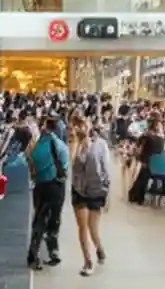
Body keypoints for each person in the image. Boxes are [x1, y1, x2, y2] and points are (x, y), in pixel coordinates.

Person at [27, 117, 70, 271]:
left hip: (40, 185)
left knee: (39, 219)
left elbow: (31, 161)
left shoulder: (37, 144)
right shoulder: (58, 143)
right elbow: (65, 162)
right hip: (56, 186)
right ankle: (53, 252)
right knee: (54, 219)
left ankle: (33, 255)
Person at [70, 117, 110, 276]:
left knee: (93, 228)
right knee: (82, 227)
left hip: (96, 190)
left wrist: (108, 194)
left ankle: (99, 248)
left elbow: (106, 169)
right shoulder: (73, 144)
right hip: (79, 190)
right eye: (75, 126)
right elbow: (71, 164)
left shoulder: (100, 144)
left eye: (81, 125)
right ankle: (87, 261)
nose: (79, 129)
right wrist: (77, 145)